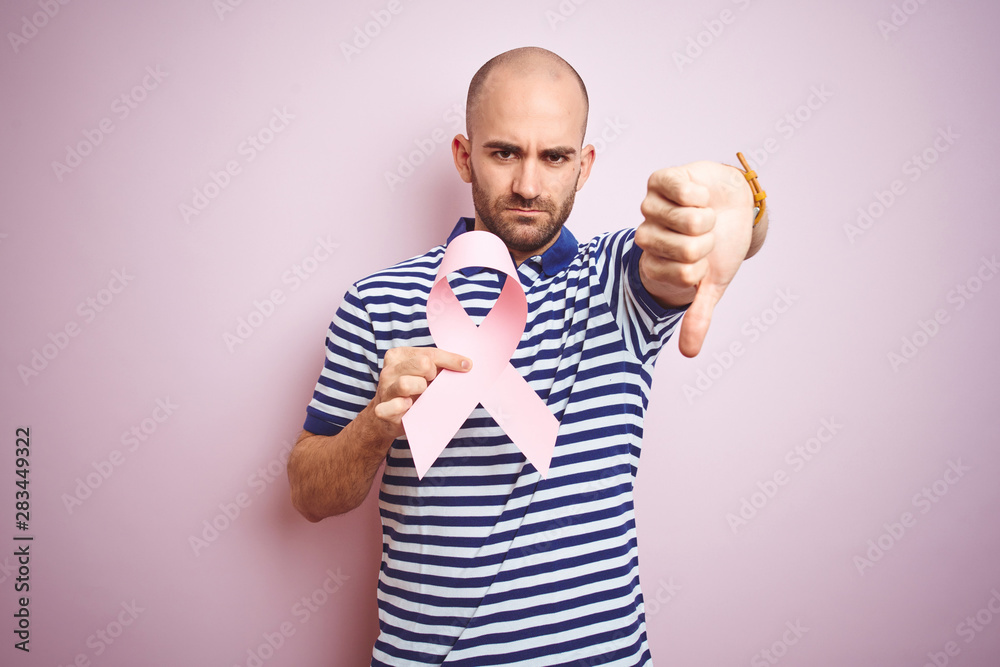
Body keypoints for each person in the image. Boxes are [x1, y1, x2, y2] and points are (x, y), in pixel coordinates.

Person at [288, 46, 768, 665]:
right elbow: (310, 495)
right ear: (465, 156)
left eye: (555, 156)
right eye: (504, 152)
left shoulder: (619, 281)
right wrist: (379, 421)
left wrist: (740, 201)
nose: (528, 185)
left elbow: (687, 248)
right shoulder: (376, 301)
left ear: (585, 165)